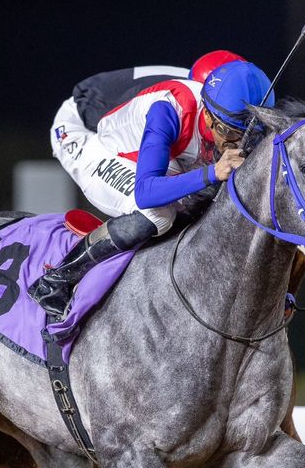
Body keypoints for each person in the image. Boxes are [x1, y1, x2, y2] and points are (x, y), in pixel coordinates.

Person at [33, 56, 275, 321]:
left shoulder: (226, 107)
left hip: (152, 137)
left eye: (249, 135)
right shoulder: (168, 110)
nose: (237, 144)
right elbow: (146, 192)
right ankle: (57, 280)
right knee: (157, 214)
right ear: (207, 114)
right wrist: (212, 172)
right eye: (229, 133)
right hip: (83, 132)